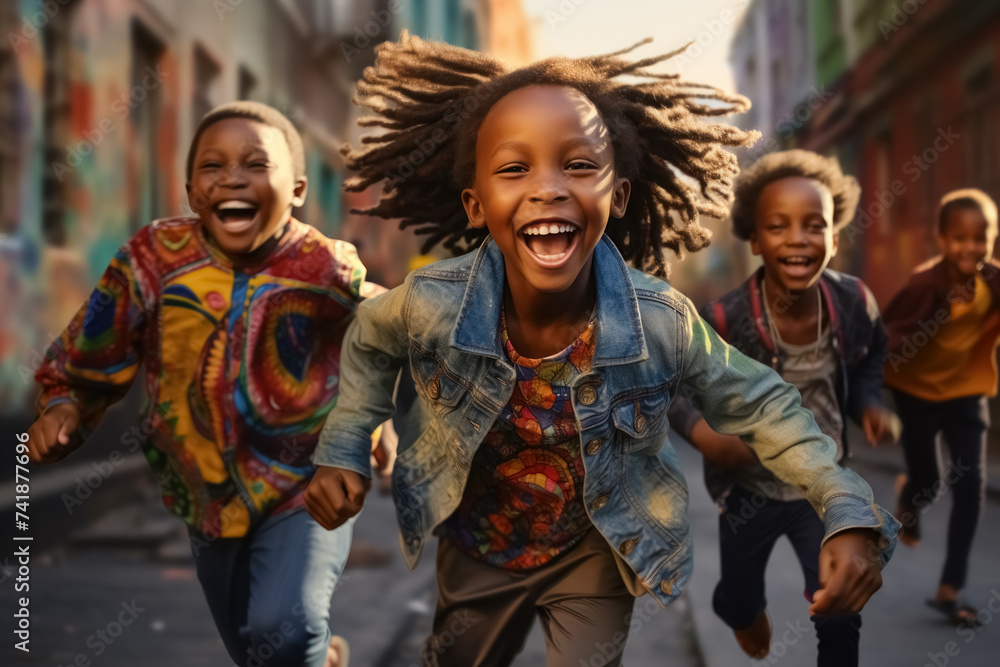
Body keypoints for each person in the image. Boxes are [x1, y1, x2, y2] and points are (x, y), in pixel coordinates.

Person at [306, 33, 899, 667]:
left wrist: (845, 506)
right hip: (478, 551)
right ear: (476, 206)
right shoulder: (432, 301)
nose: (549, 189)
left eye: (579, 165)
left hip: (593, 551)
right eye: (515, 168)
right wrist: (348, 440)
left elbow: (763, 403)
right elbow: (370, 338)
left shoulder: (659, 318)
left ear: (616, 197)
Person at [28, 101, 389, 667]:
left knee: (285, 630)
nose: (233, 178)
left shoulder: (325, 266)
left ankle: (309, 651)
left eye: (254, 164)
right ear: (193, 191)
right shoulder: (153, 260)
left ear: (296, 189)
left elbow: (387, 333)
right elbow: (92, 349)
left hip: (305, 486)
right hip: (204, 498)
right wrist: (64, 406)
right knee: (256, 648)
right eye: (213, 167)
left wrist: (375, 423)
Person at [667, 150, 898, 665]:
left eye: (815, 225)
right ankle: (740, 610)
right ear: (755, 239)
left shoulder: (854, 302)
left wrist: (869, 403)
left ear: (835, 237)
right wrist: (703, 432)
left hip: (823, 488)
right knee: (741, 601)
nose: (798, 238)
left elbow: (869, 357)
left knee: (840, 610)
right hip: (750, 489)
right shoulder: (725, 319)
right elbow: (676, 385)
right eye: (779, 226)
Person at [882, 188, 1000, 626]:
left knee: (970, 486)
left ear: (993, 237)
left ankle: (952, 586)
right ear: (942, 239)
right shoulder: (924, 285)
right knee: (928, 482)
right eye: (959, 238)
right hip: (917, 393)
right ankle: (909, 500)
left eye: (980, 238)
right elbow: (886, 336)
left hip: (967, 394)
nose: (970, 248)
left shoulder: (993, 279)